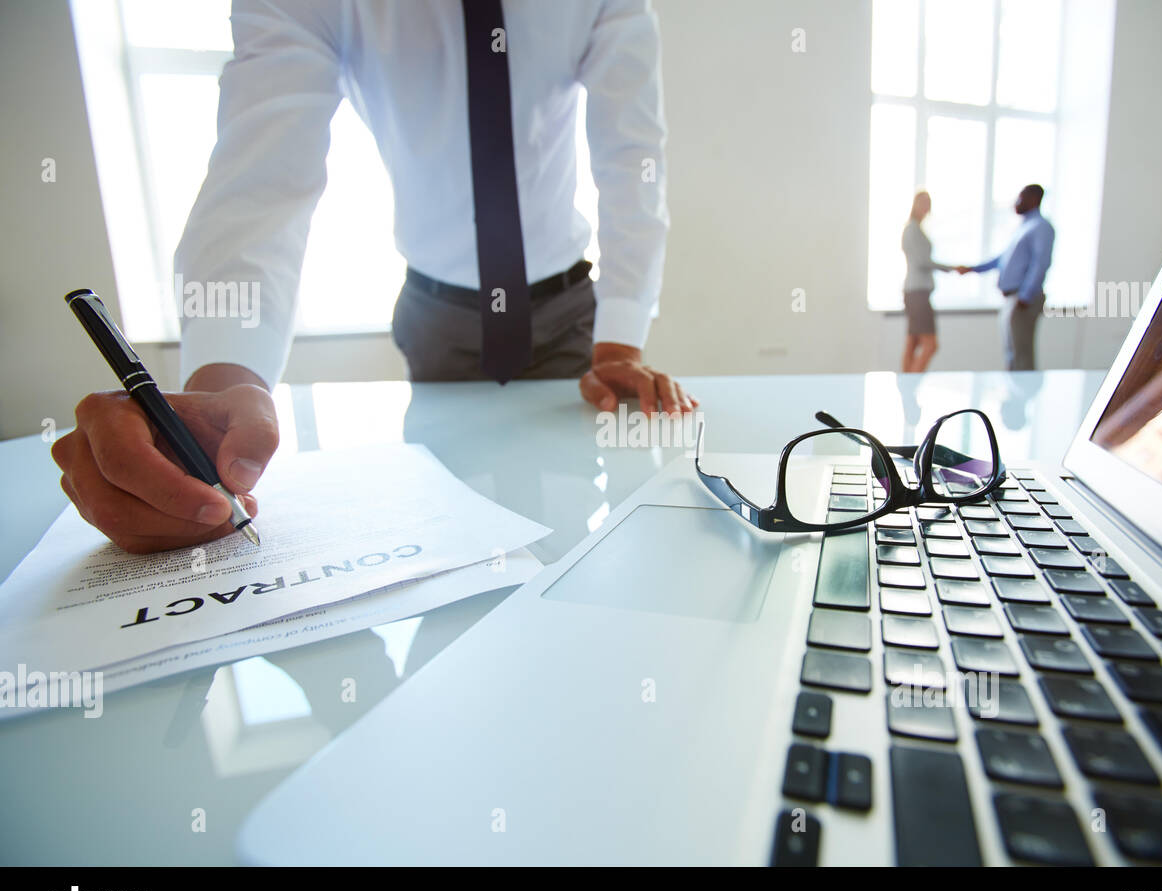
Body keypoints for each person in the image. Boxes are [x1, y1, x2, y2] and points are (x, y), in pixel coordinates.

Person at [52, 0, 697, 555]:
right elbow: (260, 178)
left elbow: (632, 155)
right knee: (455, 518)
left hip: (568, 311)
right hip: (437, 317)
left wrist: (620, 337)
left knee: (575, 518)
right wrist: (225, 386)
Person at [955, 184, 1055, 371]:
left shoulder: (1041, 227)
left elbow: (1040, 263)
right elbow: (1002, 260)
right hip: (1012, 298)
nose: (1015, 203)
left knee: (1021, 354)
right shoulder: (1022, 228)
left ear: (1033, 199)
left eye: (1020, 198)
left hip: (1024, 299)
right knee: (1012, 352)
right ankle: (1014, 398)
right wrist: (972, 269)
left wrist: (1025, 296)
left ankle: (1024, 396)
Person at [900, 190, 951, 373]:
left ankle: (906, 390)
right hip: (917, 292)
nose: (927, 206)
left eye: (929, 202)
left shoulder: (916, 228)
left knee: (912, 342)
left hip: (916, 291)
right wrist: (950, 268)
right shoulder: (912, 229)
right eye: (923, 202)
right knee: (930, 344)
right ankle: (910, 386)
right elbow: (922, 261)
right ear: (915, 204)